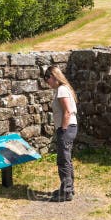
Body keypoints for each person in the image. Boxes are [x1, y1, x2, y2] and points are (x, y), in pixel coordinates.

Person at [44, 66, 78, 201]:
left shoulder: (62, 90)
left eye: (48, 80)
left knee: (63, 160)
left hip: (67, 128)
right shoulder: (63, 88)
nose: (48, 84)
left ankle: (66, 192)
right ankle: (68, 188)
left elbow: (67, 111)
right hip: (70, 127)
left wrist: (62, 130)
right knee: (66, 159)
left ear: (52, 77)